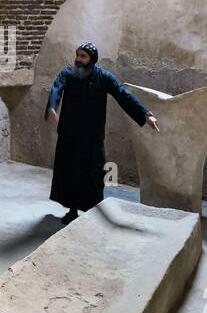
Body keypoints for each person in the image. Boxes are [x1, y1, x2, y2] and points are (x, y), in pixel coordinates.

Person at [45, 41, 160, 224]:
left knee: (94, 174)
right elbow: (56, 88)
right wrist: (52, 107)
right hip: (70, 134)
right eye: (78, 55)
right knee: (70, 172)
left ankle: (94, 212)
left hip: (92, 136)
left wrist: (145, 114)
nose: (78, 60)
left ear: (92, 59)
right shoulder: (68, 73)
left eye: (83, 56)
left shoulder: (104, 77)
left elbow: (123, 94)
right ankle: (73, 210)